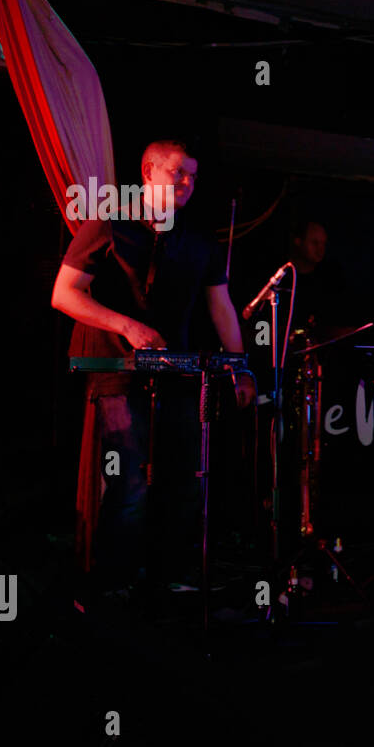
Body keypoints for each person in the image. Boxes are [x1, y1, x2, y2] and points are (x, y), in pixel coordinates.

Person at [52, 139, 255, 599]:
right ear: (148, 172)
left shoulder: (198, 237)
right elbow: (64, 293)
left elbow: (221, 306)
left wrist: (240, 367)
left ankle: (170, 577)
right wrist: (126, 325)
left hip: (175, 372)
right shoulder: (110, 221)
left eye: (193, 176)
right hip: (116, 369)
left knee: (183, 479)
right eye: (178, 172)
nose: (188, 183)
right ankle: (113, 585)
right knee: (128, 482)